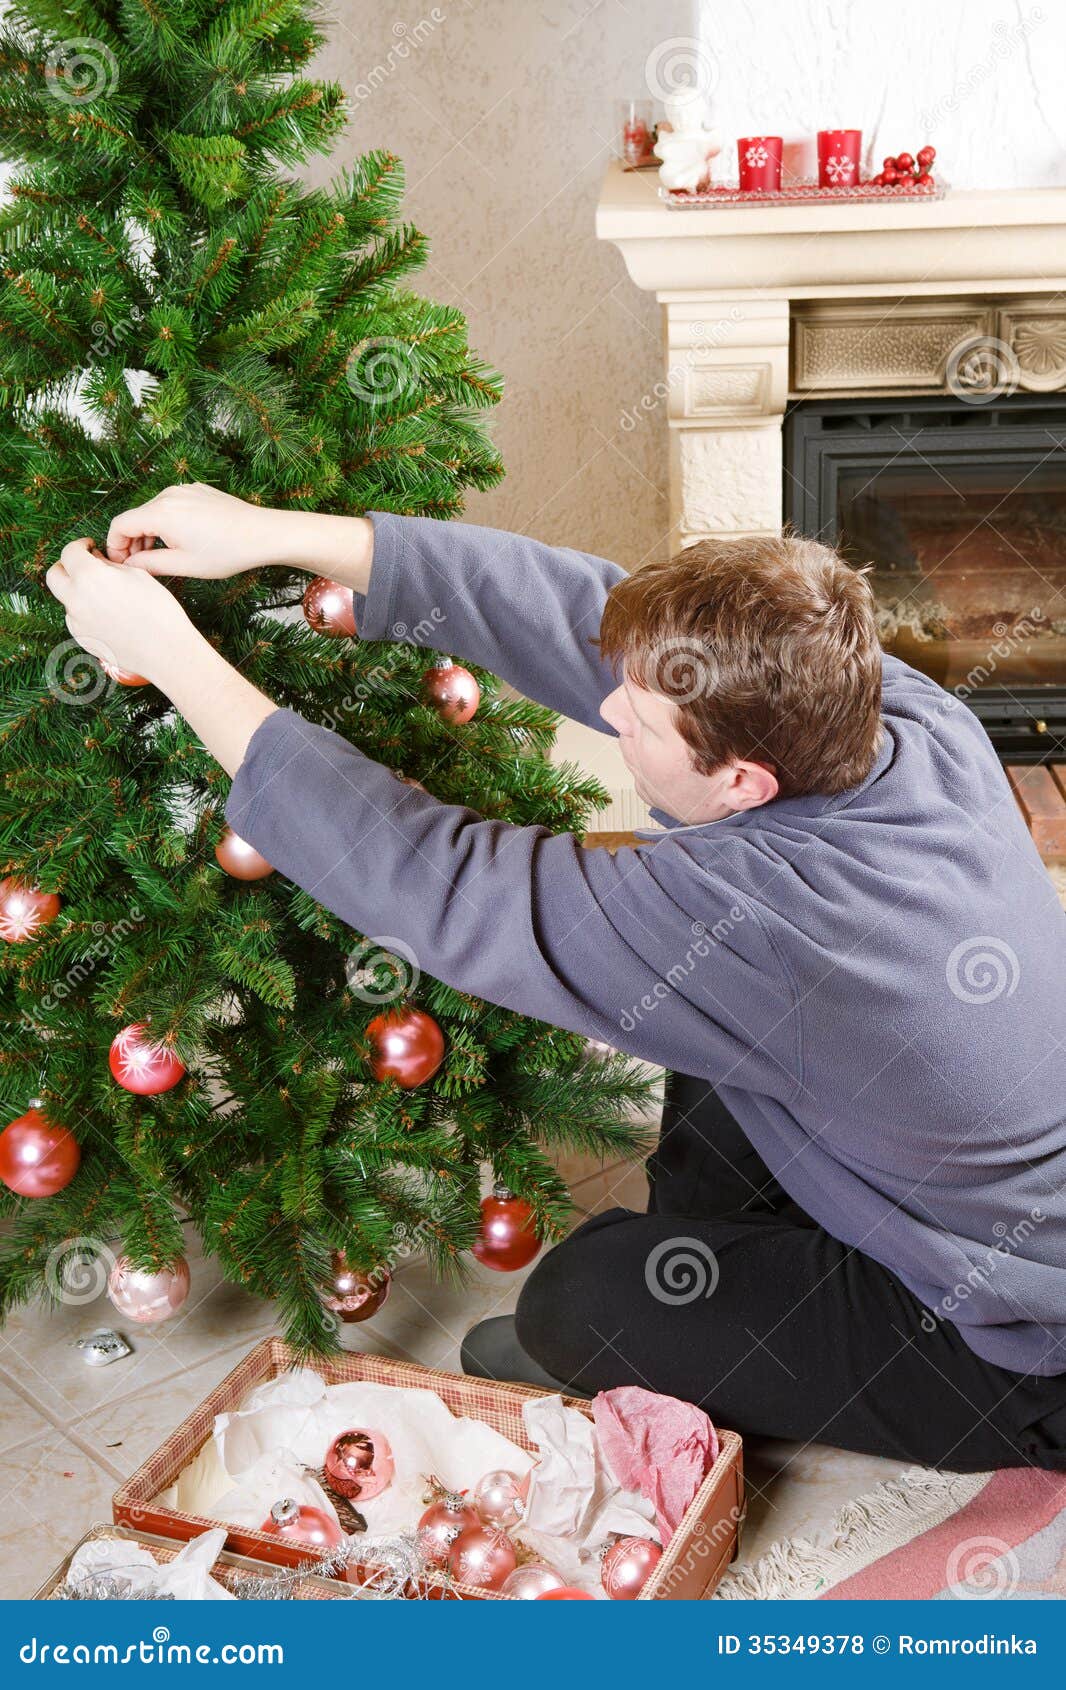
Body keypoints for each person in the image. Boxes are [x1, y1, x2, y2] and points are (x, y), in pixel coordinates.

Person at [45, 484, 1066, 1473]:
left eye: (642, 721)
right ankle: (707, 1287)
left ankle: (681, 1322)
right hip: (942, 1155)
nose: (611, 704)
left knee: (575, 1304)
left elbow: (436, 878)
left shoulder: (766, 918)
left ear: (744, 784)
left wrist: (174, 657)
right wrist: (264, 531)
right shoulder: (899, 715)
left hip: (1018, 1339)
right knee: (703, 1027)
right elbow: (583, 613)